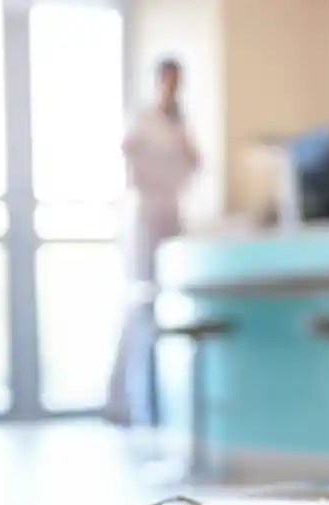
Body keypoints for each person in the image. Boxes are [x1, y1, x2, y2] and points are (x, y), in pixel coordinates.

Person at [104, 58, 200, 427]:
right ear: (158, 81)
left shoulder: (181, 123)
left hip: (171, 213)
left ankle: (158, 405)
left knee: (166, 308)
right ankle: (124, 402)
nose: (172, 88)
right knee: (141, 303)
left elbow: (195, 162)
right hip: (145, 215)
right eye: (168, 81)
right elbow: (127, 156)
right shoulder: (143, 120)